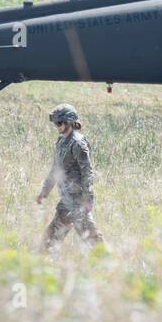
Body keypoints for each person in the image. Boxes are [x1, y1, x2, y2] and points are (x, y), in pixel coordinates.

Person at [35, 103, 104, 254]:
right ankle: (45, 267)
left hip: (78, 202)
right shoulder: (61, 142)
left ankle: (112, 268)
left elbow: (87, 172)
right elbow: (55, 170)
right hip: (66, 201)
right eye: (55, 123)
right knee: (48, 241)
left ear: (70, 122)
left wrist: (87, 198)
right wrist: (44, 192)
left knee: (94, 243)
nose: (57, 126)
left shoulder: (78, 143)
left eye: (60, 123)